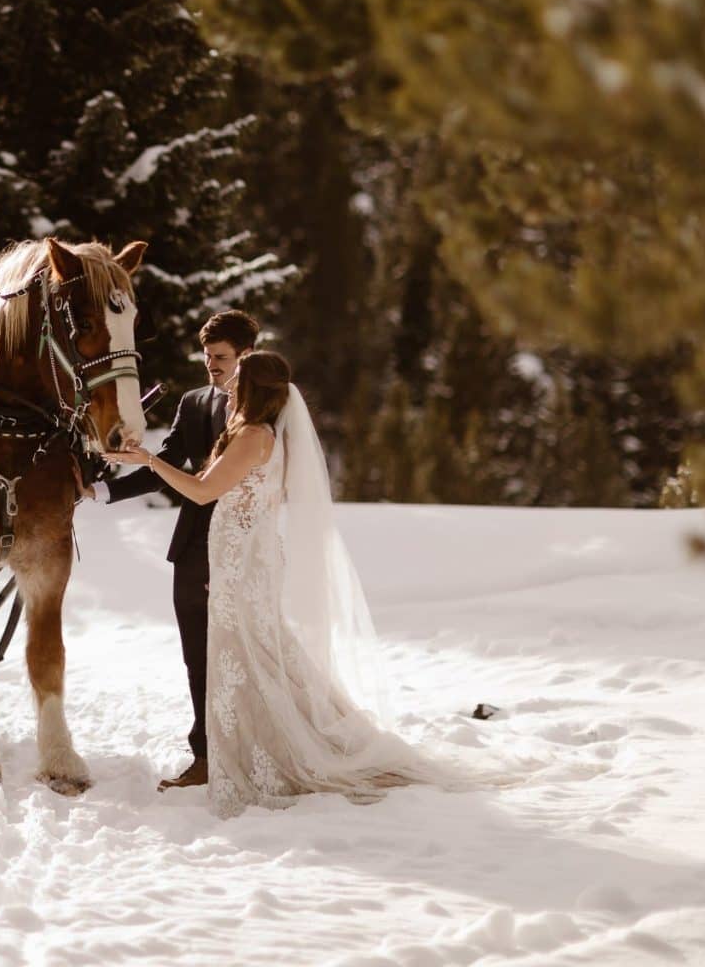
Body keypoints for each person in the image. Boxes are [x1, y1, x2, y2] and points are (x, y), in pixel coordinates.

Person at [105, 350, 449, 817]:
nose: (228, 389)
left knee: (249, 655)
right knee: (251, 655)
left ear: (252, 389)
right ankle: (255, 748)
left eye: (236, 382)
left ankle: (278, 752)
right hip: (238, 558)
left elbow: (202, 492)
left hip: (243, 563)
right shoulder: (253, 434)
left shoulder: (253, 436)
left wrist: (148, 458)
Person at [93, 309, 259, 791]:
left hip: (244, 548)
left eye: (221, 357)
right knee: (197, 656)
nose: (211, 365)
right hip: (191, 548)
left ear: (247, 355)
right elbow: (163, 466)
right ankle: (206, 754)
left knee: (245, 654)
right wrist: (104, 490)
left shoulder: (268, 410)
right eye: (207, 356)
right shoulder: (193, 402)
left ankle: (254, 749)